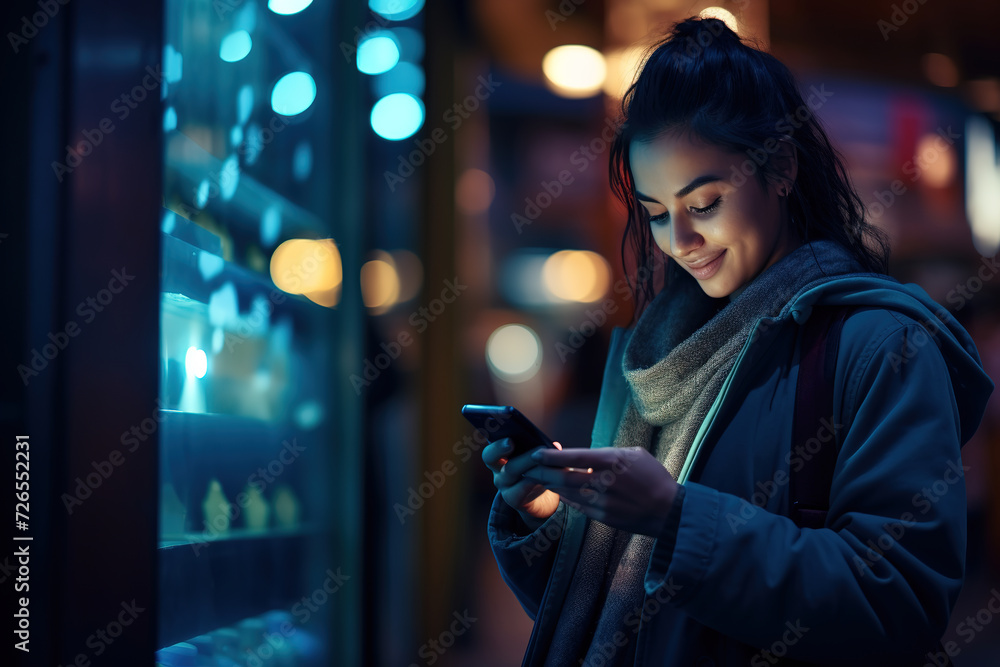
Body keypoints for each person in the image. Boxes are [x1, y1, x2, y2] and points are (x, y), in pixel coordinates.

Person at [482, 15, 995, 667]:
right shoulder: (658, 355)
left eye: (704, 203)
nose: (680, 242)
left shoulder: (881, 345)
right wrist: (546, 513)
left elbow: (896, 604)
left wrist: (674, 519)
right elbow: (621, 612)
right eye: (658, 213)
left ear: (780, 167)